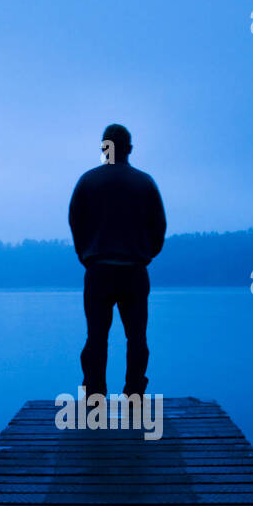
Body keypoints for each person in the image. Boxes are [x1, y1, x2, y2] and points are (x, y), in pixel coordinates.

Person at [68, 124, 166, 399]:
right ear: (130, 149)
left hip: (98, 270)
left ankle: (94, 395)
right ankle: (134, 393)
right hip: (134, 270)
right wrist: (145, 254)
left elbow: (75, 222)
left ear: (103, 147)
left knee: (96, 337)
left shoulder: (87, 181)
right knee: (136, 338)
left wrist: (85, 254)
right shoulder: (144, 182)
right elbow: (159, 226)